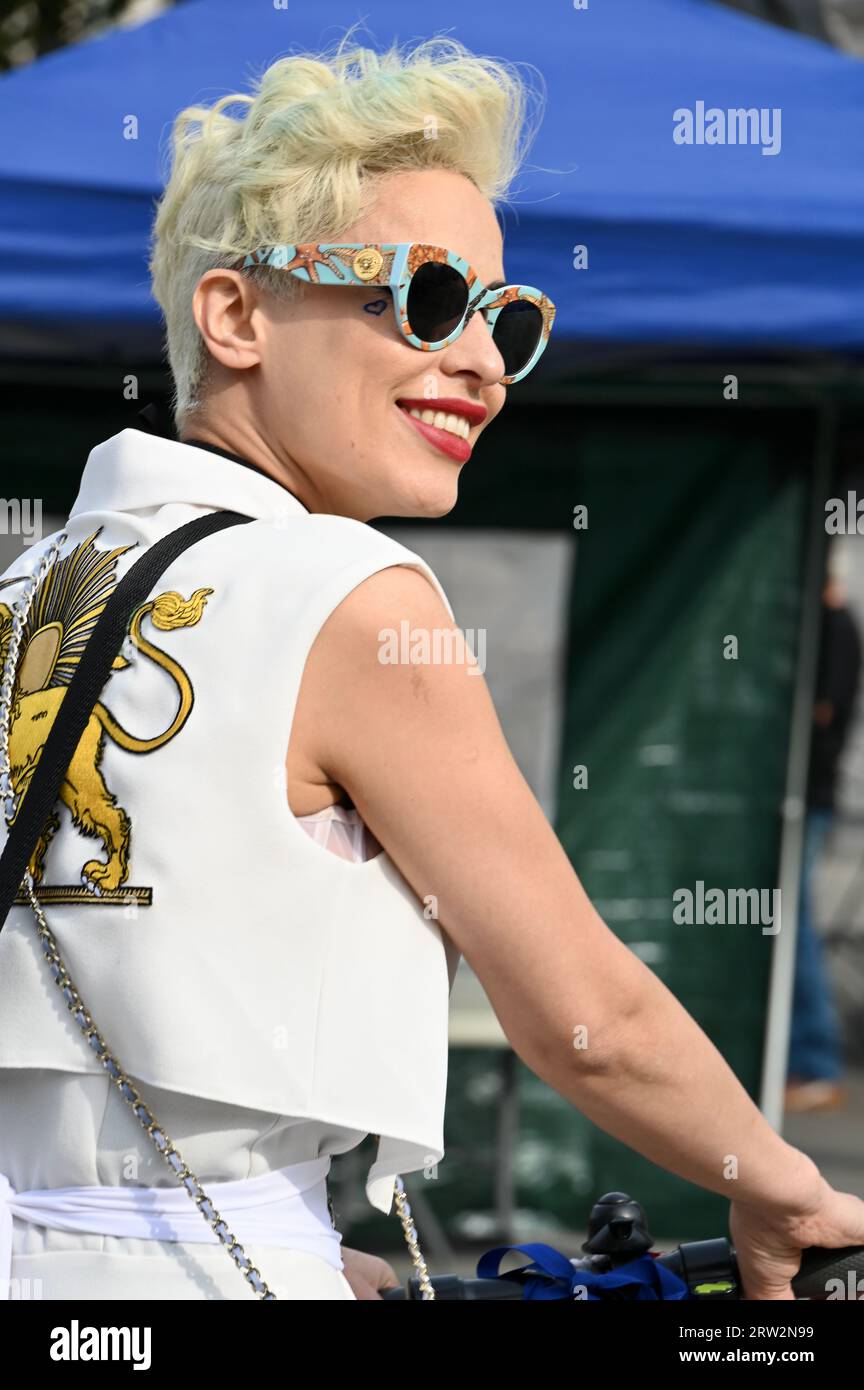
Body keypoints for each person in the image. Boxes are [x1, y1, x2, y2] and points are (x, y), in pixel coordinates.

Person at [1, 30, 863, 1303]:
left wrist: (293, 1234)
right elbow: (591, 1022)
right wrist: (779, 1186)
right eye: (428, 299)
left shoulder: (22, 588)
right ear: (236, 315)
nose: (481, 365)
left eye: (509, 320)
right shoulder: (346, 593)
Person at [786, 553, 862, 1112]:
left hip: (807, 801)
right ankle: (808, 1060)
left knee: (794, 925)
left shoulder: (833, 628)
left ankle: (814, 1062)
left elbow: (821, 714)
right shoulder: (825, 624)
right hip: (805, 800)